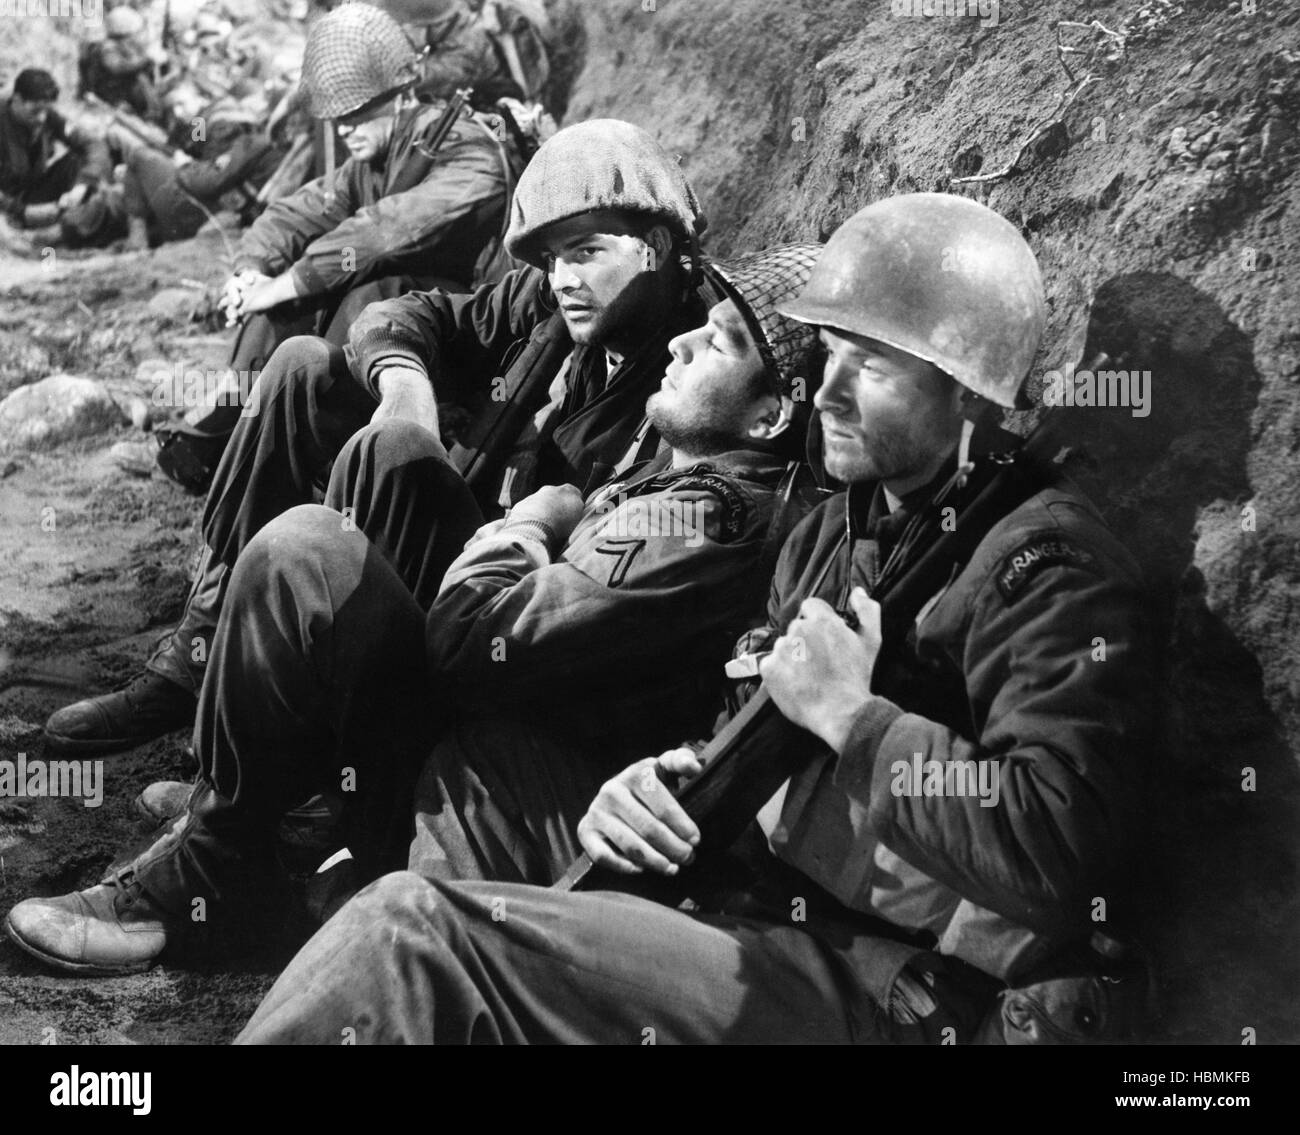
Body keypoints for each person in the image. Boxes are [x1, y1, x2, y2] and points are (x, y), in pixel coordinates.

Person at [221, 193, 1153, 1046]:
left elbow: (1060, 854)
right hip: (770, 901)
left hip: (913, 989)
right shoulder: (841, 526)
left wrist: (857, 722)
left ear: (968, 395)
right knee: (482, 779)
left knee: (407, 931)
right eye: (830, 356)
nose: (829, 391)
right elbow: (747, 736)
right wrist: (659, 783)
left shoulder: (1048, 567)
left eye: (869, 368)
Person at [3, 243, 825, 975]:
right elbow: (416, 316)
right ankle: (275, 802)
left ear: (772, 414)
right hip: (498, 738)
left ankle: (222, 869)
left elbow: (471, 642)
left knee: (305, 554)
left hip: (491, 803)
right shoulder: (687, 450)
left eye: (720, 342)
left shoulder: (710, 514)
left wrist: (532, 519)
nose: (685, 342)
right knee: (384, 458)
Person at [41, 117, 709, 764]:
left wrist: (520, 526)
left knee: (383, 458)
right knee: (302, 366)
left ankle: (298, 752)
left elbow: (597, 595)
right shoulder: (551, 300)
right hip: (468, 522)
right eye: (554, 258)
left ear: (655, 242)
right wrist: (404, 382)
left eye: (588, 251)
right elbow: (411, 313)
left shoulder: (696, 381)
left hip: (493, 613)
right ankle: (199, 648)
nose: (563, 277)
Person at [150, 1, 516, 493]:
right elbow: (289, 214)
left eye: (357, 115)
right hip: (398, 334)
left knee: (374, 290)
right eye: (337, 118)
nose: (344, 129)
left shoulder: (468, 148)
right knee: (295, 299)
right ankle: (233, 426)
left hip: (468, 337)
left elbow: (385, 229)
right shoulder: (370, 161)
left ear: (400, 95)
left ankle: (317, 451)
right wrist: (251, 274)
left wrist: (289, 281)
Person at [117, 85, 285, 251]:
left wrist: (186, 163)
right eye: (175, 108)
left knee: (138, 157)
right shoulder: (207, 119)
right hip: (221, 200)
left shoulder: (222, 124)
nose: (178, 112)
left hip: (214, 207)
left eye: (181, 104)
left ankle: (138, 239)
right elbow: (196, 148)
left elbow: (210, 173)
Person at [0, 69, 113, 234]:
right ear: (16, 100)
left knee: (78, 160)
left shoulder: (46, 114)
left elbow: (93, 144)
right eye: (35, 112)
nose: (41, 118)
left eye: (45, 111)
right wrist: (21, 211)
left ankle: (75, 221)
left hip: (33, 190)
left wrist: (82, 184)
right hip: (8, 205)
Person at [78, 5, 166, 122]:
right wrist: (147, 59)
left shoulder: (119, 46)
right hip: (110, 99)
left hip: (118, 96)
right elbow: (118, 67)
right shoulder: (107, 48)